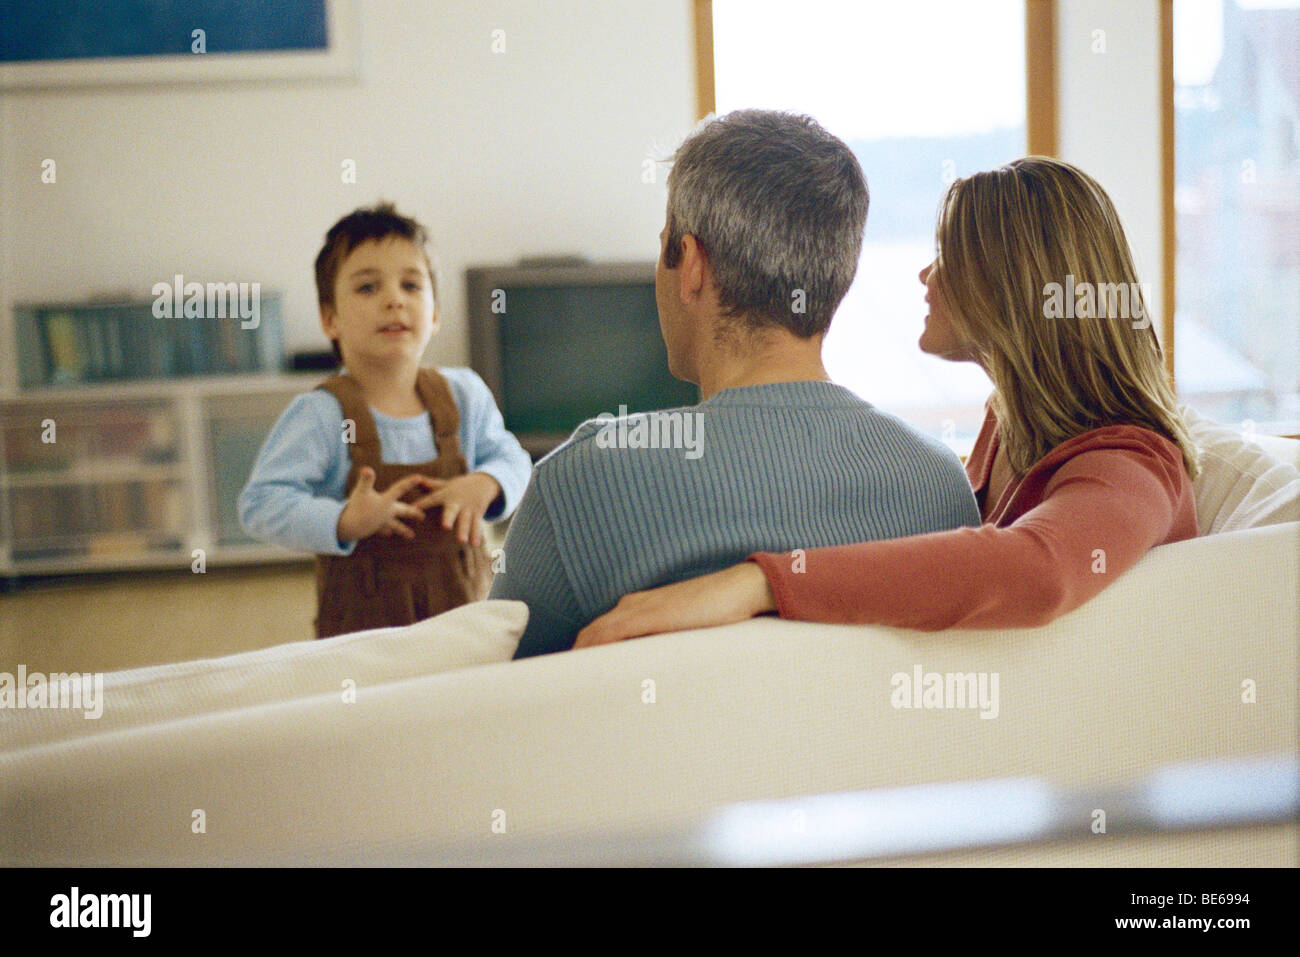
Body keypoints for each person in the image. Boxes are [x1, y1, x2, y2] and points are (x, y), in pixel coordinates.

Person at [574, 156, 1201, 648]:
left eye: (950, 255)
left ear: (1014, 286)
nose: (926, 276)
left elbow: (1039, 570)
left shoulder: (1132, 461)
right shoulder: (1006, 426)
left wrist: (759, 581)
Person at [490, 110, 982, 659]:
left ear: (692, 265)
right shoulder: (939, 487)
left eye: (664, 250)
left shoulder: (579, 487)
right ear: (837, 273)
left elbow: (500, 705)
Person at [239, 203, 532, 638]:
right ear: (329, 319)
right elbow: (260, 506)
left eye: (411, 285)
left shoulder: (465, 394)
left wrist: (489, 482)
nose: (394, 299)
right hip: (362, 641)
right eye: (368, 287)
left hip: (466, 623)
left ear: (434, 315)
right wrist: (342, 521)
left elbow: (514, 458)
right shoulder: (321, 415)